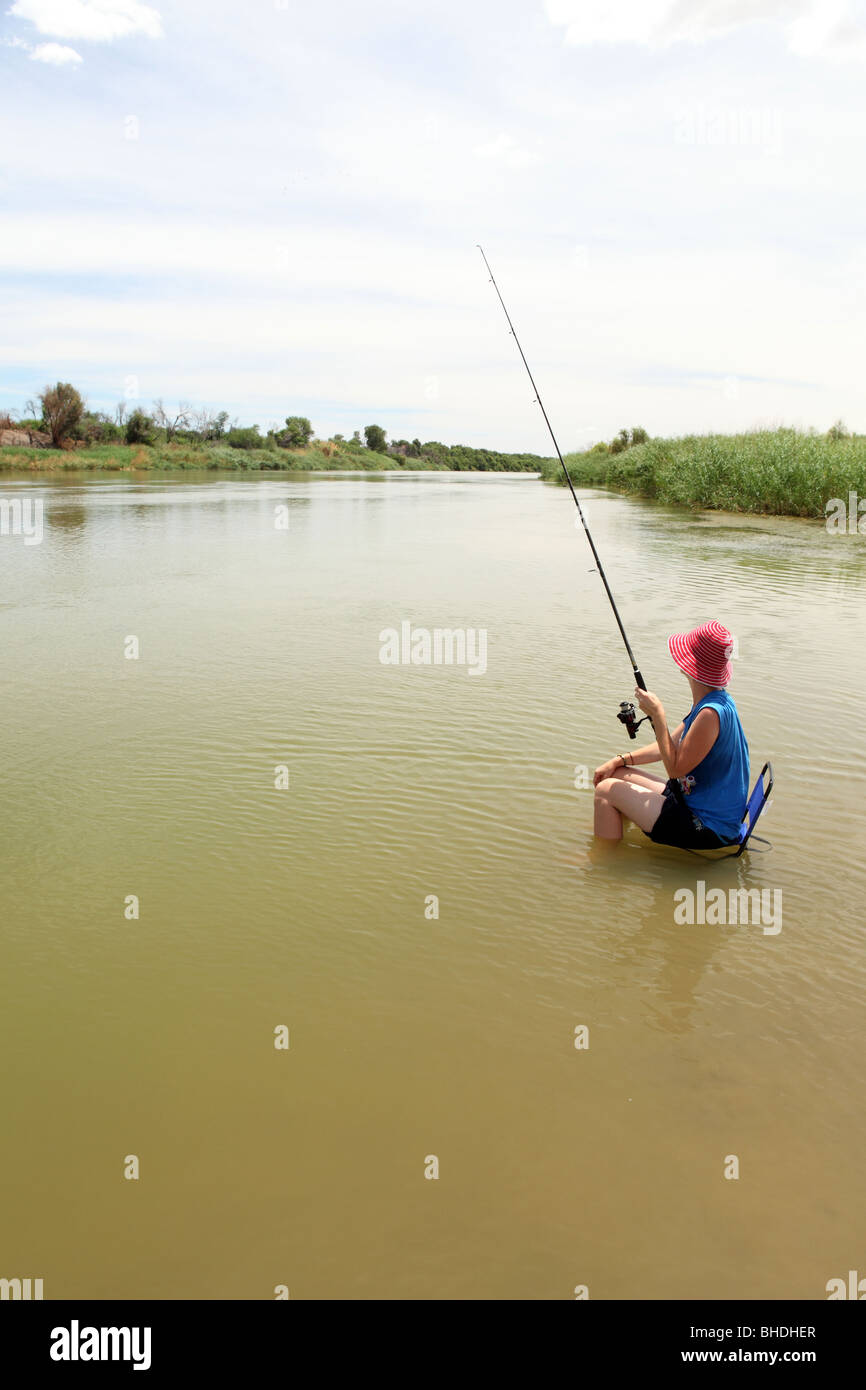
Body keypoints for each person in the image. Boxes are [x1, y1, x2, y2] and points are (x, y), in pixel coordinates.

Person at [593, 620, 749, 848]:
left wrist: (658, 715)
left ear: (691, 665)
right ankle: (614, 830)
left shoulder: (709, 714)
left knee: (605, 791)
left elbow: (675, 769)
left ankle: (604, 861)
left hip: (707, 826)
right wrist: (619, 759)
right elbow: (667, 746)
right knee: (615, 774)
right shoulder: (713, 700)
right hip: (694, 800)